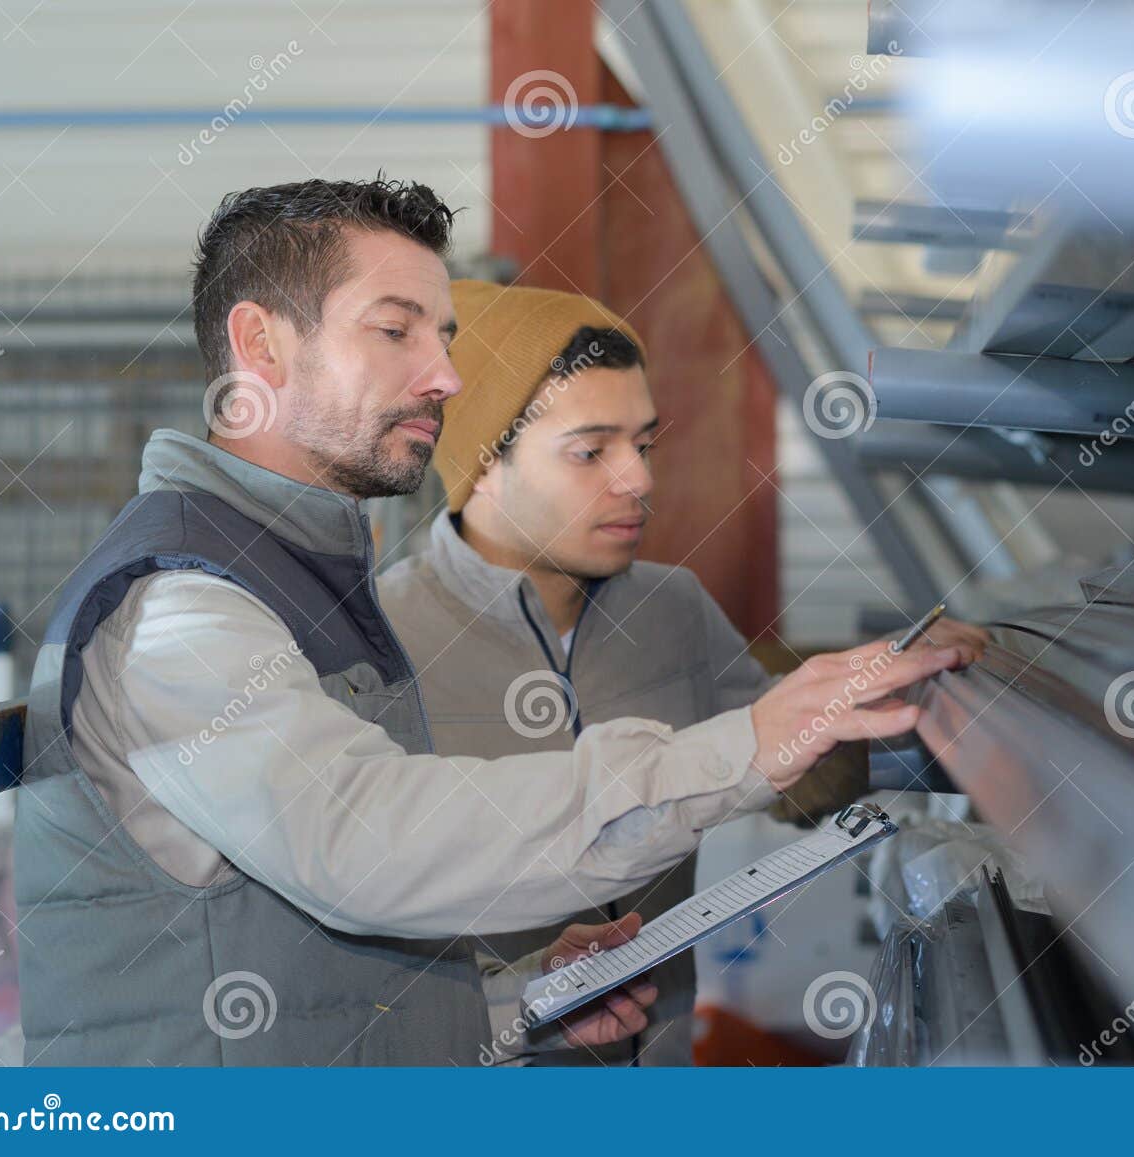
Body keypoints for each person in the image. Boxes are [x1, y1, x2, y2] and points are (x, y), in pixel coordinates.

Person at [10, 178, 969, 1066]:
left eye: (444, 334)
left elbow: (314, 957)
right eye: (397, 332)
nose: (447, 376)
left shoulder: (302, 580)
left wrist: (518, 1002)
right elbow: (363, 847)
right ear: (262, 344)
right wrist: (744, 745)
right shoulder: (180, 606)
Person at [377, 280, 988, 1065]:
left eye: (645, 444)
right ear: (486, 464)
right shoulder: (381, 647)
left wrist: (893, 700)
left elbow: (797, 780)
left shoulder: (673, 609)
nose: (638, 480)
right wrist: (518, 1006)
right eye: (591, 450)